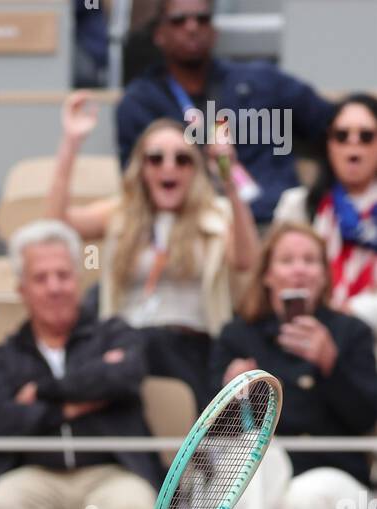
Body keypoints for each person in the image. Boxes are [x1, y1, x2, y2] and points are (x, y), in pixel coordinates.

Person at [0, 221, 162, 509]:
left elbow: (123, 377)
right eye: (41, 278)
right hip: (35, 475)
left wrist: (42, 392)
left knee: (132, 508)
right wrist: (69, 406)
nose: (54, 287)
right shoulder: (4, 355)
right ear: (22, 289)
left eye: (63, 275)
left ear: (78, 279)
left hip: (111, 472)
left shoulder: (114, 333)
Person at [50, 96, 259, 406]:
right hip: (127, 351)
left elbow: (246, 261)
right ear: (142, 168)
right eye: (156, 158)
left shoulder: (217, 214)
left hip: (192, 349)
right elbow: (56, 225)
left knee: (149, 347)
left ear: (195, 170)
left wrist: (229, 180)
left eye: (183, 159)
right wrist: (71, 142)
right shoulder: (120, 214)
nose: (169, 167)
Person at [211, 223, 377, 509]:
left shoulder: (349, 333)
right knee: (255, 452)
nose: (299, 269)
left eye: (309, 260)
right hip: (265, 473)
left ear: (324, 274)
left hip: (336, 477)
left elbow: (366, 415)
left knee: (304, 498)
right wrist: (230, 395)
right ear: (267, 275)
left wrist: (331, 364)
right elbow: (207, 429)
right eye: (287, 260)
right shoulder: (239, 335)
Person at [116, 0, 333, 225]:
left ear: (214, 31)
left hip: (274, 227)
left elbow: (333, 125)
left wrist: (321, 198)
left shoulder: (262, 80)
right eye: (179, 20)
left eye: (202, 19)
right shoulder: (140, 102)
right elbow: (136, 183)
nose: (192, 27)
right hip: (194, 231)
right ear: (159, 34)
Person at [274, 94, 377, 341]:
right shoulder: (297, 205)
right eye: (341, 136)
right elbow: (274, 279)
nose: (353, 144)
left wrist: (350, 313)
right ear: (328, 144)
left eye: (366, 136)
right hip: (308, 340)